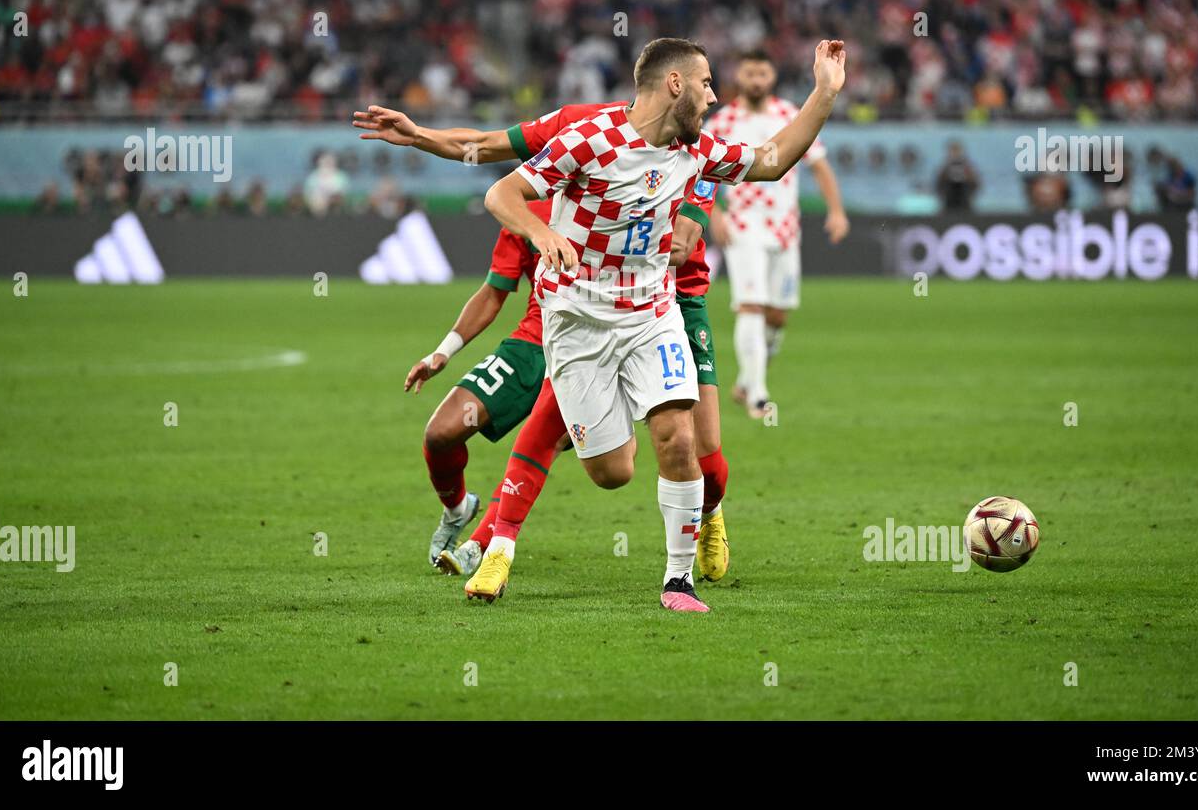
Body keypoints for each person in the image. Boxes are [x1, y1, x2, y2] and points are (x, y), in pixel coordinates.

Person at [479, 37, 846, 612]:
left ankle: (678, 582)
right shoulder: (590, 140)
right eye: (706, 84)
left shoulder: (696, 151)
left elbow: (773, 161)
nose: (714, 95)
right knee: (611, 472)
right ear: (676, 85)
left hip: (653, 315)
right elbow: (503, 192)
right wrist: (543, 233)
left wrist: (824, 91)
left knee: (679, 436)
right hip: (577, 321)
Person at [352, 101, 734, 586]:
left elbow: (698, 217)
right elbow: (487, 146)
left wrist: (680, 209)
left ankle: (710, 514)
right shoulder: (571, 129)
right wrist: (421, 135)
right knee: (543, 433)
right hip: (580, 314)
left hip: (673, 299)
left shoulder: (687, 135)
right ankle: (490, 547)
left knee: (703, 453)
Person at [405, 199, 559, 568]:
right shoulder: (527, 208)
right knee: (440, 434)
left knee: (546, 443)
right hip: (532, 347)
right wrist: (443, 352)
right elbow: (494, 292)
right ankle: (458, 509)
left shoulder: (622, 192)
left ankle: (479, 545)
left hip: (595, 353)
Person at [704, 49, 849, 418]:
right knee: (750, 305)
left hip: (785, 226)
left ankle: (749, 379)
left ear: (772, 76)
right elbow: (698, 172)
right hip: (743, 223)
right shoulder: (722, 122)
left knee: (777, 316)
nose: (755, 79)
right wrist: (715, 214)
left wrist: (835, 210)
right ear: (739, 76)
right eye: (749, 72)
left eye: (762, 72)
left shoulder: (790, 115)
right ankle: (758, 395)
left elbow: (819, 165)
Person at [935, 140, 980, 211]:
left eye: (957, 151)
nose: (955, 153)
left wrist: (967, 177)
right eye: (953, 151)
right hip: (948, 203)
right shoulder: (945, 167)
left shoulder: (967, 167)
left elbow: (975, 184)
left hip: (965, 202)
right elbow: (938, 184)